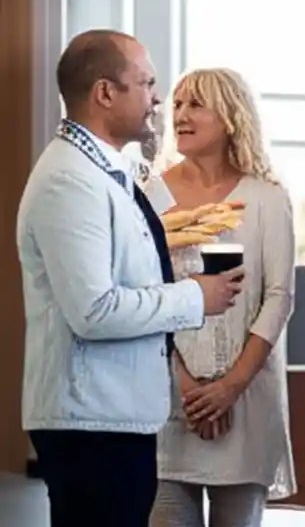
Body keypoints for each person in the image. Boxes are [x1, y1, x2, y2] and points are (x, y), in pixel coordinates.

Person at [17, 30, 243, 527]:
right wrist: (194, 298)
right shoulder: (69, 181)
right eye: (146, 83)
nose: (158, 98)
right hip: (91, 425)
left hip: (113, 419)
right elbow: (94, 311)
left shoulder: (105, 172)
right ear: (104, 93)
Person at [146, 68, 296, 526]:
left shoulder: (268, 198)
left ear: (230, 118)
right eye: (177, 104)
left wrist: (230, 387)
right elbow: (145, 296)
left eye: (196, 105)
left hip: (247, 400)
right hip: (170, 399)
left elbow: (279, 297)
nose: (180, 115)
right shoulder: (150, 195)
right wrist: (187, 385)